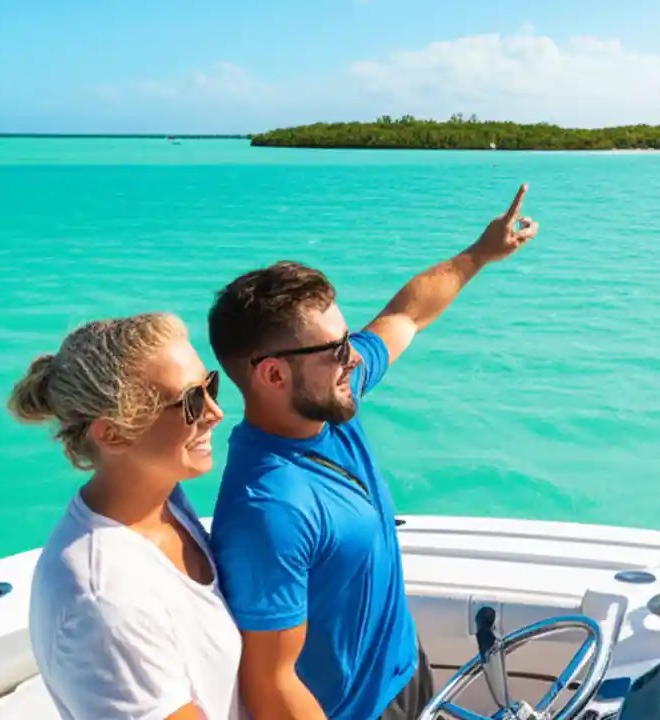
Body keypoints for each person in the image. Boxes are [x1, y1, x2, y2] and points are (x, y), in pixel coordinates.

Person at [207, 183, 539, 719]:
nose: (354, 358)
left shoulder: (330, 398)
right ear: (272, 373)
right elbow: (270, 684)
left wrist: (480, 253)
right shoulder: (269, 509)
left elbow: (406, 315)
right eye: (337, 349)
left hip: (406, 669)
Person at [9, 311, 244, 720]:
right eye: (191, 401)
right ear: (113, 434)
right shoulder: (105, 599)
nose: (215, 412)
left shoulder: (163, 502)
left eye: (210, 387)